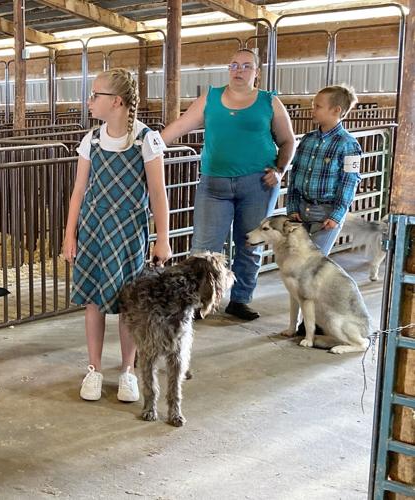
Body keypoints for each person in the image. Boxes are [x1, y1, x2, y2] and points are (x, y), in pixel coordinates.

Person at [160, 48, 296, 321]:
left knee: (250, 244)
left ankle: (241, 299)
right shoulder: (210, 98)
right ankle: (198, 301)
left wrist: (280, 169)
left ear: (256, 72)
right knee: (204, 247)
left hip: (257, 183)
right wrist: (150, 146)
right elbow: (179, 127)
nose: (239, 70)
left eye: (246, 66)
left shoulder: (269, 102)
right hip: (214, 185)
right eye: (233, 65)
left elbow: (288, 140)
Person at [62, 68, 171, 403]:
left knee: (128, 304)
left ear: (118, 102)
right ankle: (94, 369)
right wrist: (70, 235)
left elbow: (157, 192)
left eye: (96, 95)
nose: (90, 101)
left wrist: (162, 238)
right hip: (94, 230)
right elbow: (79, 190)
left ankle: (127, 371)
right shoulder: (91, 140)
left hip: (128, 231)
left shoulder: (145, 138)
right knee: (94, 301)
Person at [286, 85, 363, 255]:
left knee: (312, 264)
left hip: (326, 214)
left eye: (318, 106)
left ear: (336, 110)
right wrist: (292, 206)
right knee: (297, 262)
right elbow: (295, 175)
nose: (313, 110)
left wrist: (337, 215)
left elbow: (349, 182)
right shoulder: (307, 140)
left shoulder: (348, 144)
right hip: (301, 210)